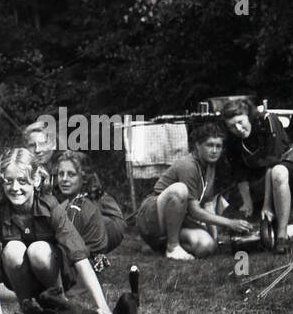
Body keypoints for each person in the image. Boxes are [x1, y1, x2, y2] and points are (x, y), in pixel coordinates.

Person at [0, 148, 121, 314]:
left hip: (56, 272)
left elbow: (79, 256)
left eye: (22, 181)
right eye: (8, 181)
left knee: (39, 250)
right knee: (12, 250)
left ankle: (59, 305)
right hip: (20, 279)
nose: (14, 187)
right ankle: (27, 309)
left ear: (36, 180)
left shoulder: (49, 205)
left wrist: (103, 307)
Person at [135, 121, 254, 260]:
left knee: (206, 246)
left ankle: (156, 245)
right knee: (180, 190)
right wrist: (230, 223)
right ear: (198, 145)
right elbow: (194, 211)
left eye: (218, 146)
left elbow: (209, 204)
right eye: (209, 145)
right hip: (153, 214)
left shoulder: (210, 166)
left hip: (175, 220)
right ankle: (172, 247)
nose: (214, 150)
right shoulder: (188, 165)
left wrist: (214, 239)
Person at [220, 98, 292, 253]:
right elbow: (239, 172)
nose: (238, 128)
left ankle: (282, 236)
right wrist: (247, 202)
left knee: (278, 173)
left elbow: (272, 164)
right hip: (261, 177)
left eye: (240, 122)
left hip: (286, 165)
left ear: (248, 116)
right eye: (232, 126)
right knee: (241, 205)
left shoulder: (268, 121)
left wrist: (267, 204)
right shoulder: (233, 139)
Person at [50, 150, 126, 260]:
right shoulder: (72, 199)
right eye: (61, 174)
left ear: (83, 177)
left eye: (71, 174)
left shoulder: (86, 202)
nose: (64, 179)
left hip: (108, 229)